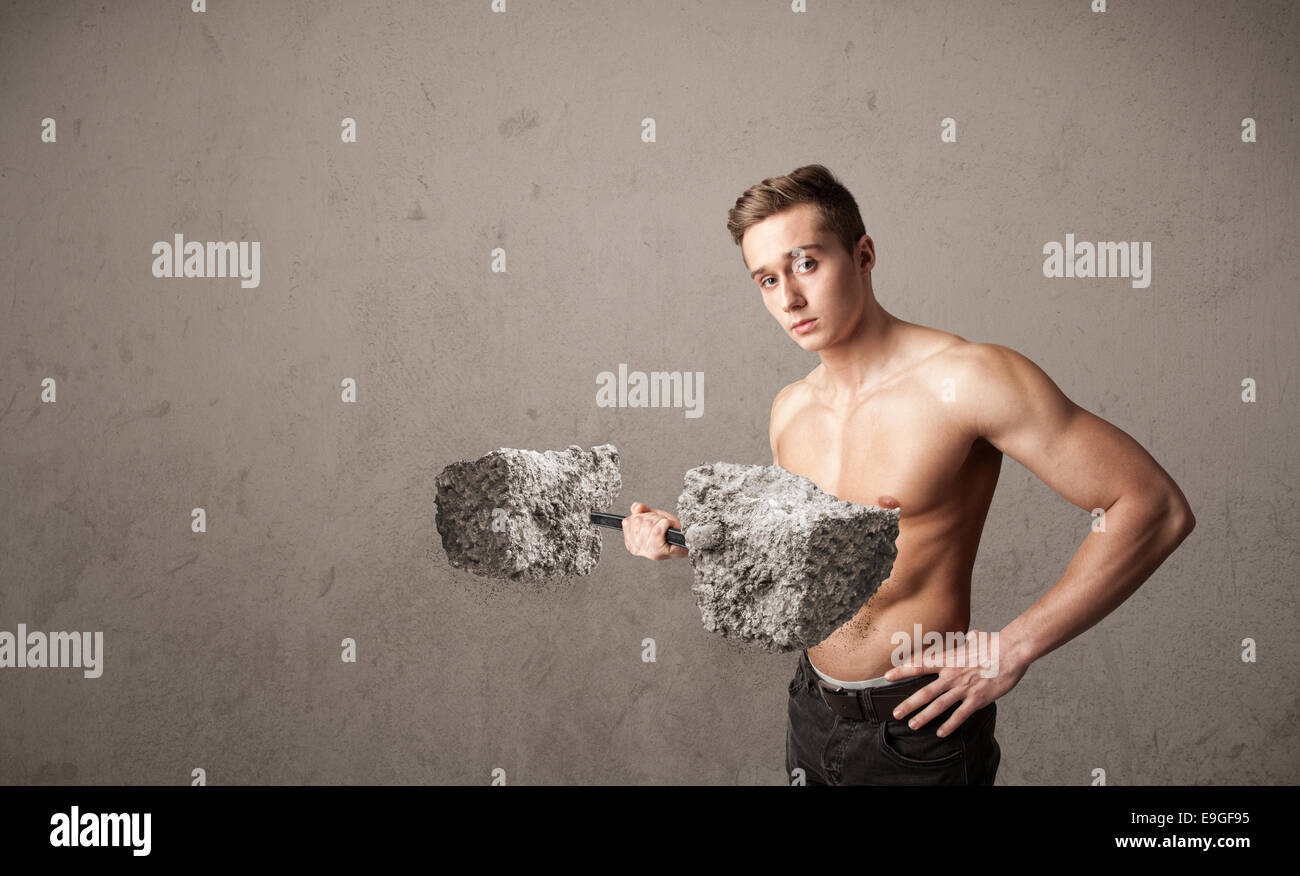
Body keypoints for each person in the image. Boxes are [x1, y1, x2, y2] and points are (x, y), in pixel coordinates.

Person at [621, 164, 1196, 785]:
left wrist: (1013, 647)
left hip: (918, 728)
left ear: (862, 255)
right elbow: (813, 558)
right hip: (812, 712)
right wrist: (695, 540)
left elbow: (1151, 505)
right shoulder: (790, 410)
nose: (789, 298)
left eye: (806, 263)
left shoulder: (970, 379)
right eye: (766, 278)